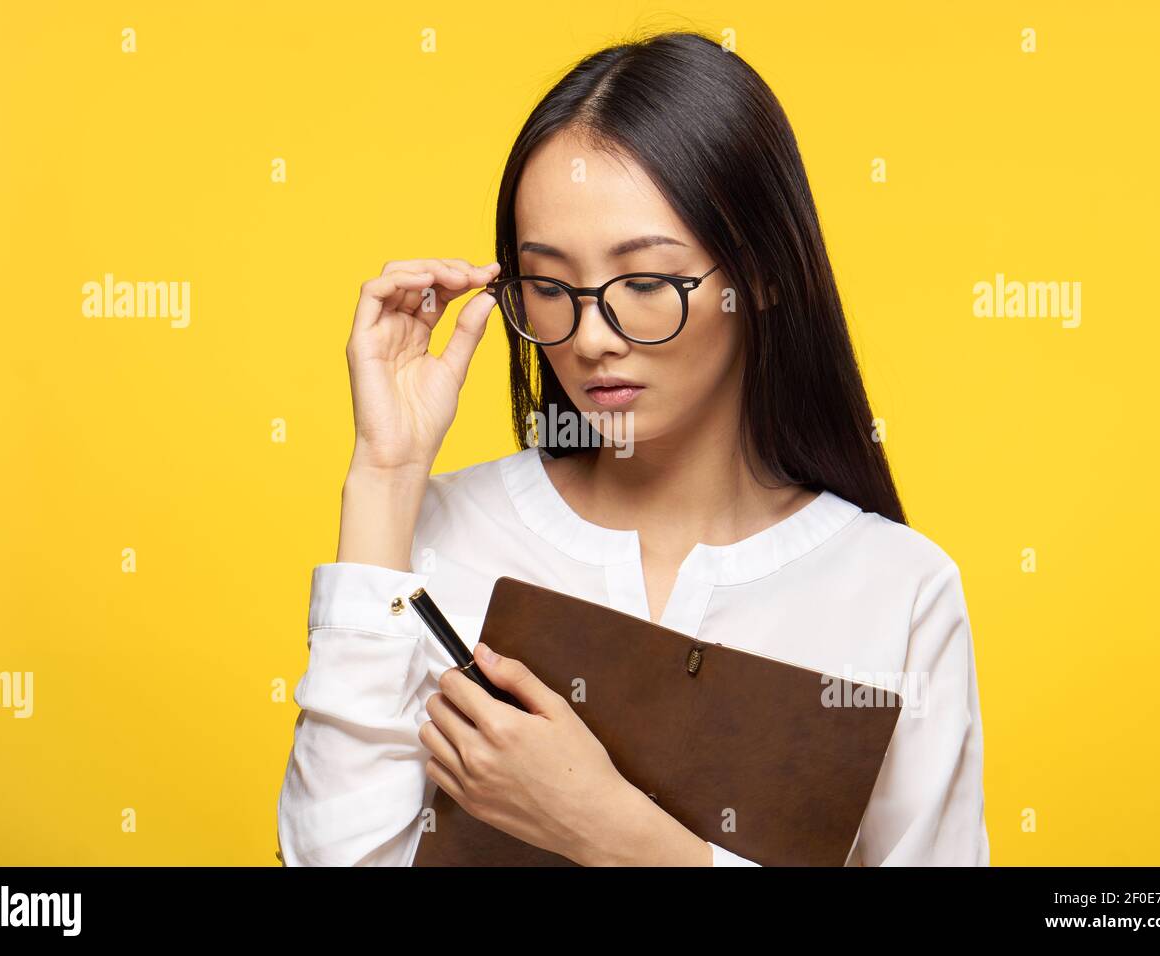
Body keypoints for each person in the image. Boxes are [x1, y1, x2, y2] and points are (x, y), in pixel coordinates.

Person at [276, 30, 990, 866]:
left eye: (646, 283)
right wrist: (385, 476)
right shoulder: (422, 538)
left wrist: (613, 832)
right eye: (549, 286)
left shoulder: (900, 592)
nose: (590, 338)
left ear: (762, 275)